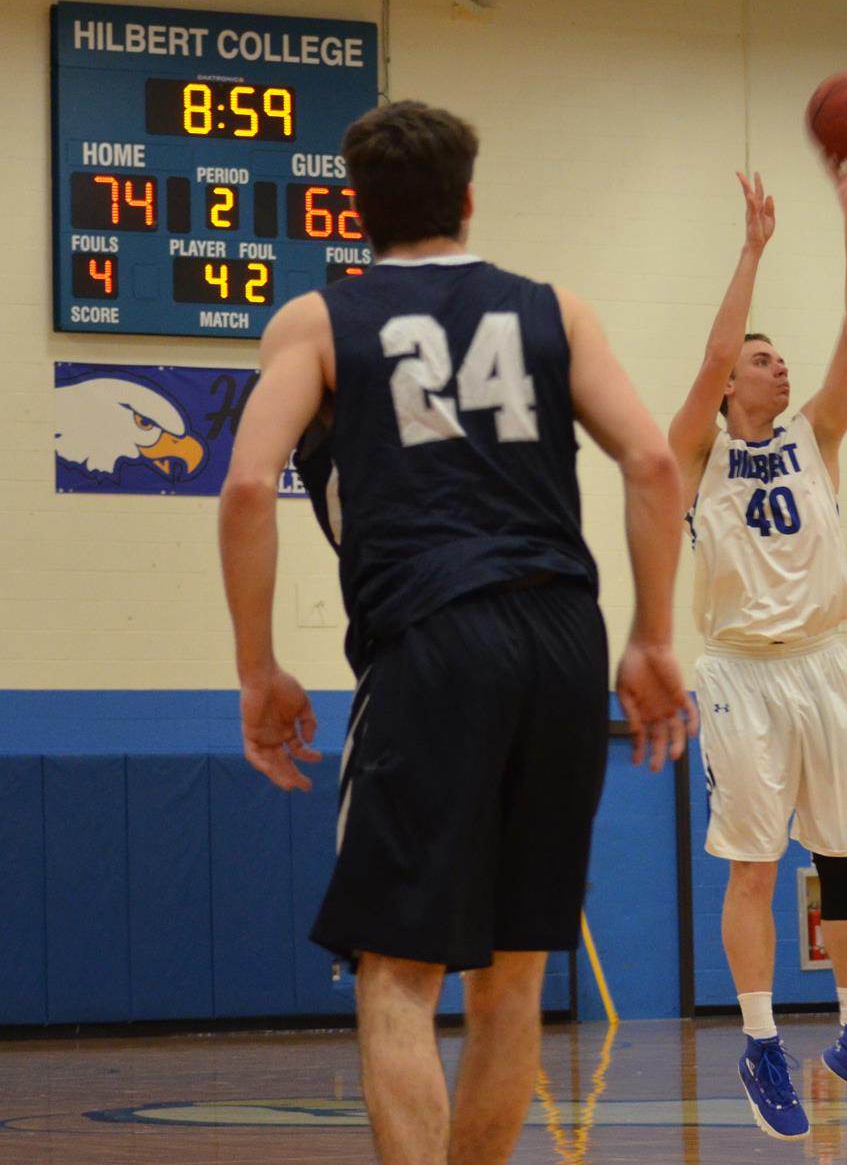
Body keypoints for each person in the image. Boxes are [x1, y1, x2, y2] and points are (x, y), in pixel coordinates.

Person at [217, 101, 697, 1165]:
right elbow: (655, 463)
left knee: (396, 973)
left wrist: (257, 666)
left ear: (357, 212)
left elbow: (249, 485)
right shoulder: (554, 310)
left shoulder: (314, 320)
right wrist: (653, 635)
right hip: (564, 634)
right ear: (469, 199)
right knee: (515, 970)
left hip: (431, 638)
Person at [667, 164, 847, 1139]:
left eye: (778, 359)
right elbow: (719, 343)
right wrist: (752, 248)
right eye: (761, 361)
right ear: (727, 384)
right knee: (754, 868)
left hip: (822, 662)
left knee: (842, 861)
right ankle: (761, 1040)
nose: (780, 367)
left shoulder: (817, 437)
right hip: (739, 672)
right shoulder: (694, 448)